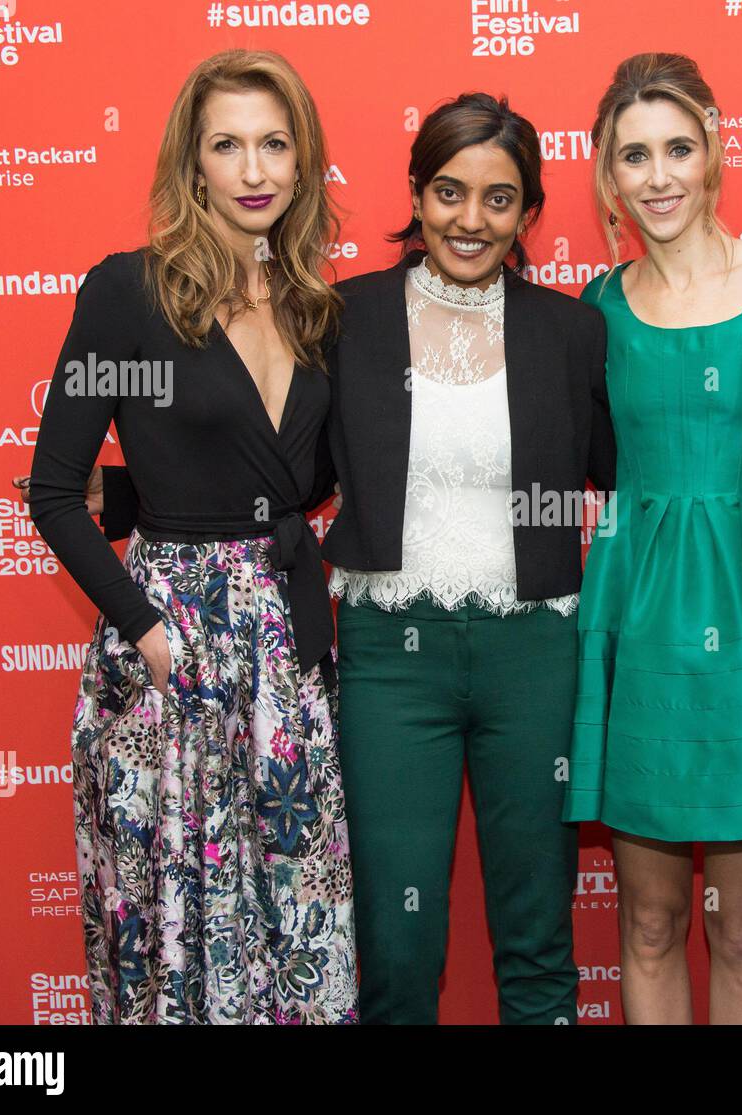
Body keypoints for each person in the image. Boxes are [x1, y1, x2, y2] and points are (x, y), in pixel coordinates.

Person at [25, 50, 358, 1024]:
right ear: (192, 163)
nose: (253, 169)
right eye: (227, 145)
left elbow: (294, 481)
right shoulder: (124, 293)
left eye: (273, 143)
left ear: (301, 164)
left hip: (286, 644)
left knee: (295, 910)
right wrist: (147, 629)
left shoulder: (314, 308)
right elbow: (52, 492)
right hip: (172, 638)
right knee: (183, 923)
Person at [562, 53, 742, 1024]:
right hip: (637, 623)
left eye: (678, 146)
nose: (659, 175)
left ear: (715, 148)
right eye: (634, 155)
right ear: (606, 173)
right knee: (646, 919)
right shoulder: (598, 309)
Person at [321, 93, 615, 1024]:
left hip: (533, 653)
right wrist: (119, 498)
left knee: (537, 940)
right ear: (417, 193)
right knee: (399, 946)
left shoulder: (568, 331)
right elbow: (276, 466)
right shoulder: (345, 317)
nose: (470, 219)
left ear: (528, 213)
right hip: (388, 656)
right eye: (450, 191)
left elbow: (624, 466)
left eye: (499, 199)